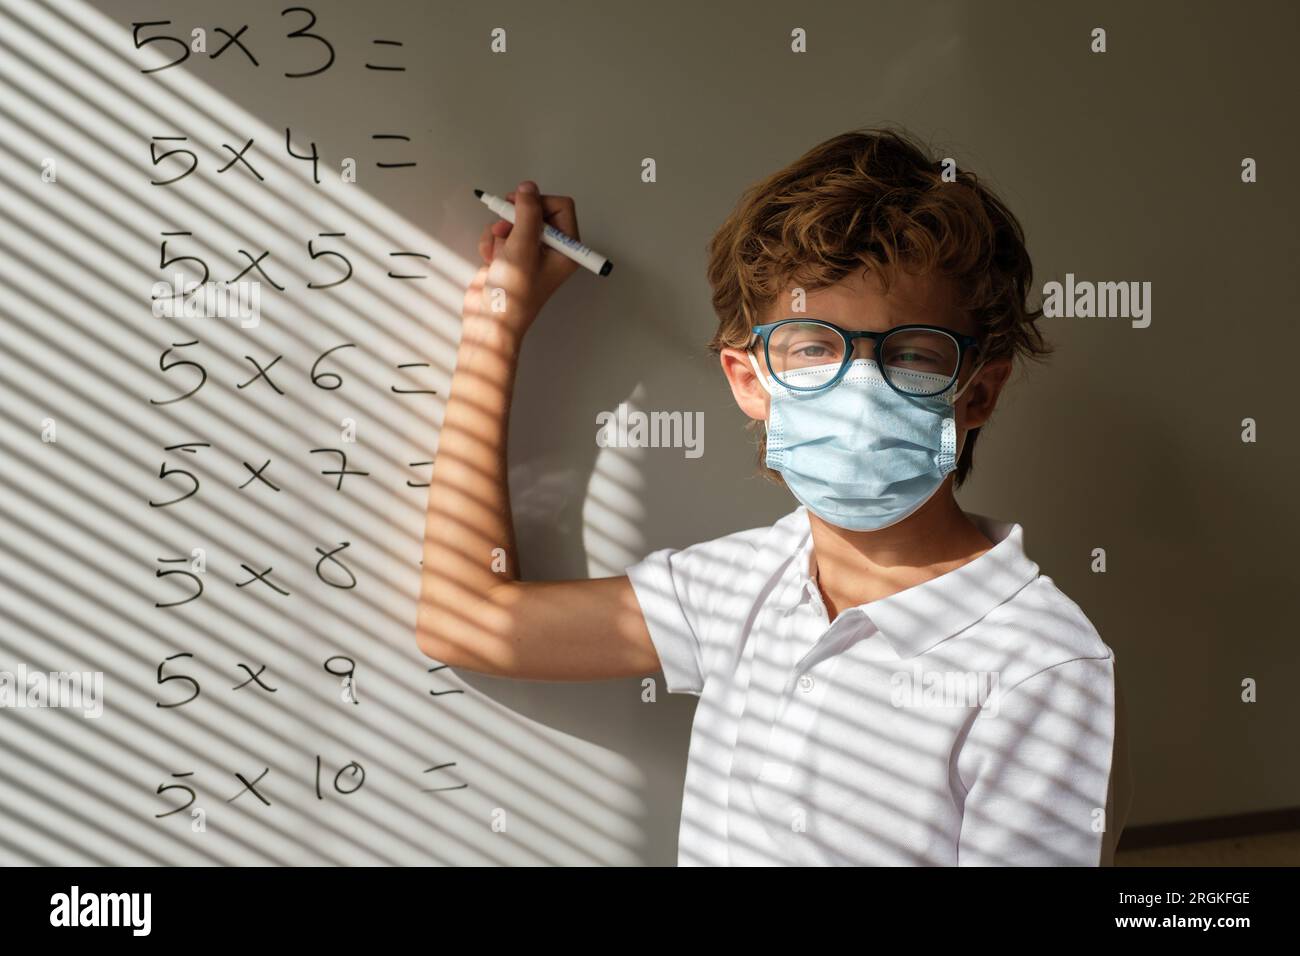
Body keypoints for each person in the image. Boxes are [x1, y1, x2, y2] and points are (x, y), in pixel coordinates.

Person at [417, 127, 1131, 866]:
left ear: (978, 388)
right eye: (815, 348)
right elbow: (464, 619)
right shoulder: (740, 590)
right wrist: (494, 327)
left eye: (910, 353)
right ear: (748, 380)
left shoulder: (1040, 668)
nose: (859, 392)